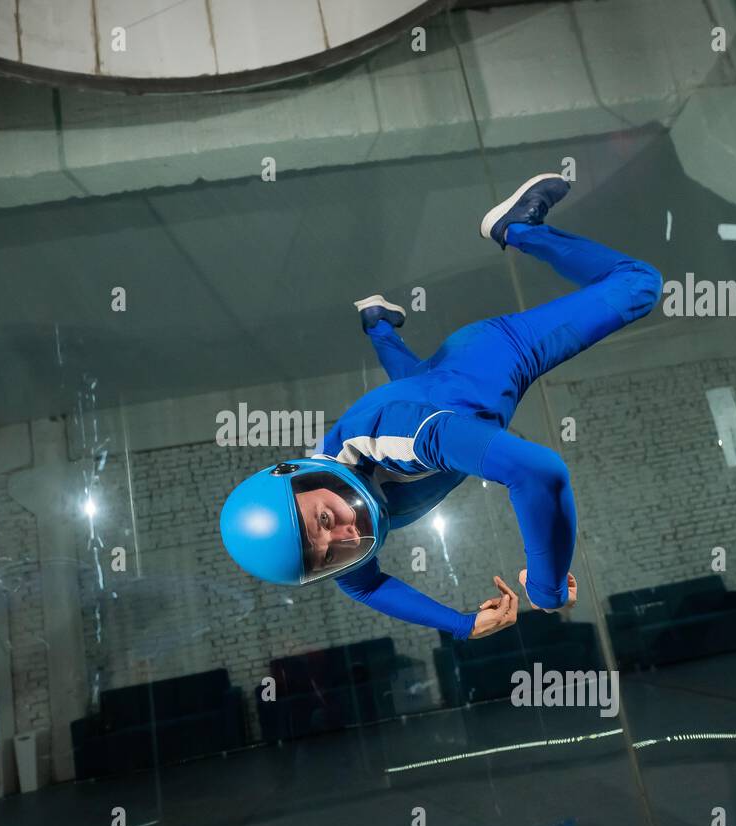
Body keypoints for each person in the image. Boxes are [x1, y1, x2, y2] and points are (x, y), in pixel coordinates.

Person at [219, 174, 663, 640]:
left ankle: (516, 229)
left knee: (639, 284)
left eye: (326, 521)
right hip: (433, 396)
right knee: (414, 382)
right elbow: (364, 586)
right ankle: (377, 323)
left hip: (490, 361)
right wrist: (462, 624)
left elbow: (539, 473)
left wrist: (548, 589)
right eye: (328, 554)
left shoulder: (402, 436)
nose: (347, 538)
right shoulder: (328, 522)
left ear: (301, 476)